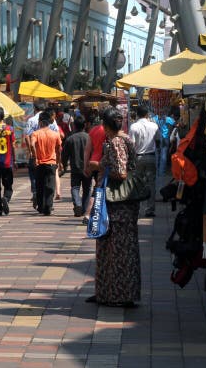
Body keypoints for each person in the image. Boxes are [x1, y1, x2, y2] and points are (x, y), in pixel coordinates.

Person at [86, 107, 141, 308]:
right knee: (108, 247)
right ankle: (106, 292)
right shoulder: (123, 139)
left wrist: (97, 165)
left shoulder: (117, 142)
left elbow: (121, 172)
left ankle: (119, 294)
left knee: (119, 250)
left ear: (106, 125)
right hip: (117, 203)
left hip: (119, 204)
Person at [24, 100, 60, 206]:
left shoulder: (31, 120)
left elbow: (27, 137)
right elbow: (58, 136)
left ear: (34, 109)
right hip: (51, 156)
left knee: (35, 177)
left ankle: (36, 193)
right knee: (49, 181)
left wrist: (31, 152)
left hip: (37, 155)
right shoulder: (52, 122)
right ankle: (48, 203)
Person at [128, 104, 160, 217]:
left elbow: (131, 145)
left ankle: (135, 208)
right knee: (151, 184)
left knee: (136, 184)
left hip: (138, 158)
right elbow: (158, 141)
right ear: (147, 114)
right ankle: (150, 210)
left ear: (137, 114)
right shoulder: (154, 126)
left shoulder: (133, 127)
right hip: (151, 157)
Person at [30, 110, 62, 215]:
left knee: (39, 185)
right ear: (49, 122)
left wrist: (34, 157)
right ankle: (48, 206)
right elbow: (59, 149)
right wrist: (59, 161)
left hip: (39, 163)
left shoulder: (35, 134)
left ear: (40, 122)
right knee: (50, 186)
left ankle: (40, 206)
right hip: (51, 163)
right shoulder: (55, 134)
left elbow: (31, 145)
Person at [60, 114, 90, 218]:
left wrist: (63, 166)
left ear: (75, 126)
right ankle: (85, 210)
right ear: (84, 125)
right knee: (87, 189)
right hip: (87, 168)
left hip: (75, 168)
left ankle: (78, 204)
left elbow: (64, 155)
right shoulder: (89, 137)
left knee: (75, 187)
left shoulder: (70, 139)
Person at [82, 112, 106, 225]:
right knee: (99, 189)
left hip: (93, 162)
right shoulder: (108, 130)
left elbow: (87, 150)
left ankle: (90, 214)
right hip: (103, 164)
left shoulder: (93, 130)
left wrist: (86, 166)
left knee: (97, 188)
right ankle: (89, 214)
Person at [154, 109, 176, 177]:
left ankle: (156, 171)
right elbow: (175, 124)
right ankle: (161, 172)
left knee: (157, 154)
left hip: (157, 138)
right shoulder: (168, 119)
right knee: (163, 155)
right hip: (165, 138)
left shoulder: (155, 118)